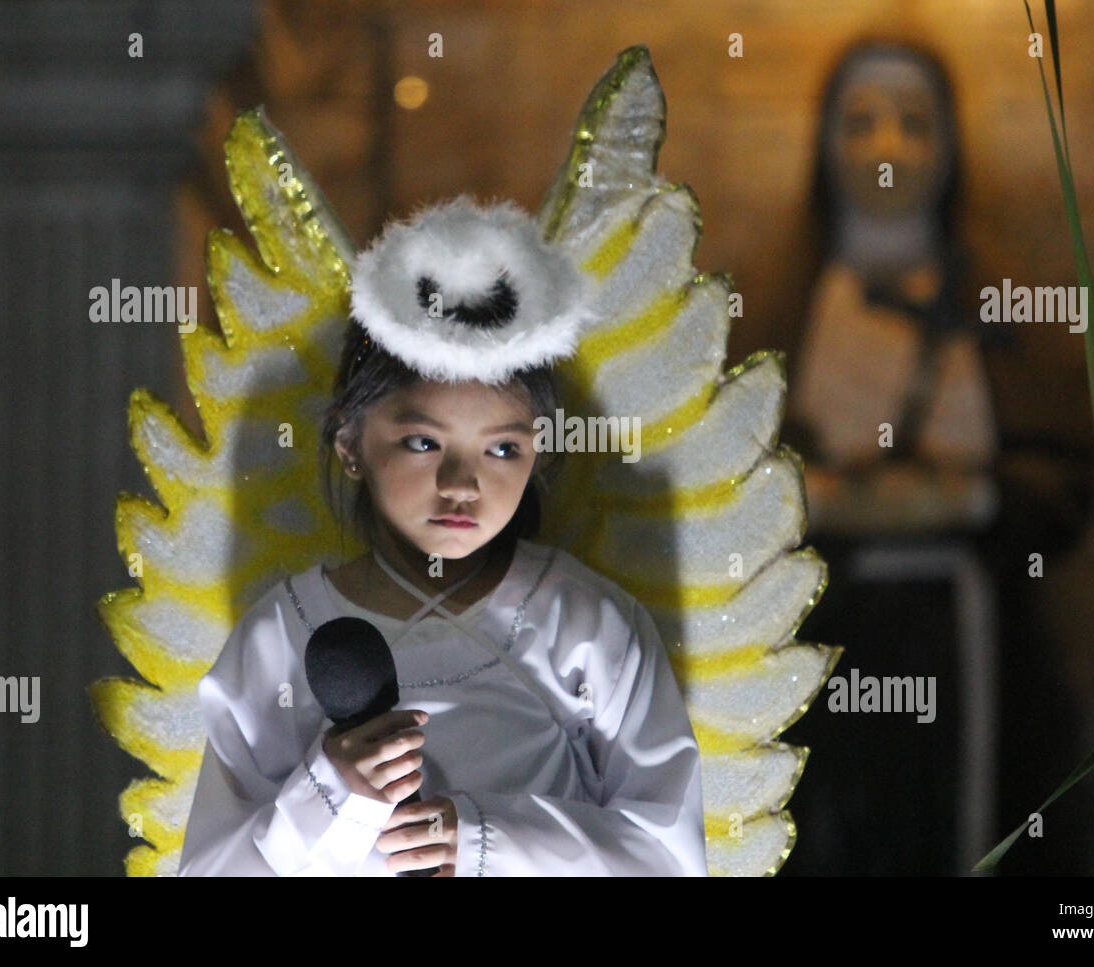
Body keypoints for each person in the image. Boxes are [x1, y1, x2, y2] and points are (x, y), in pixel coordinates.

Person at [176, 195, 709, 876]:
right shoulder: (280, 639)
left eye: (502, 450)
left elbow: (669, 860)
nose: (462, 482)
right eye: (423, 441)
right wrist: (328, 793)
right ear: (349, 442)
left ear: (539, 453)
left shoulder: (587, 626)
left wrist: (486, 840)